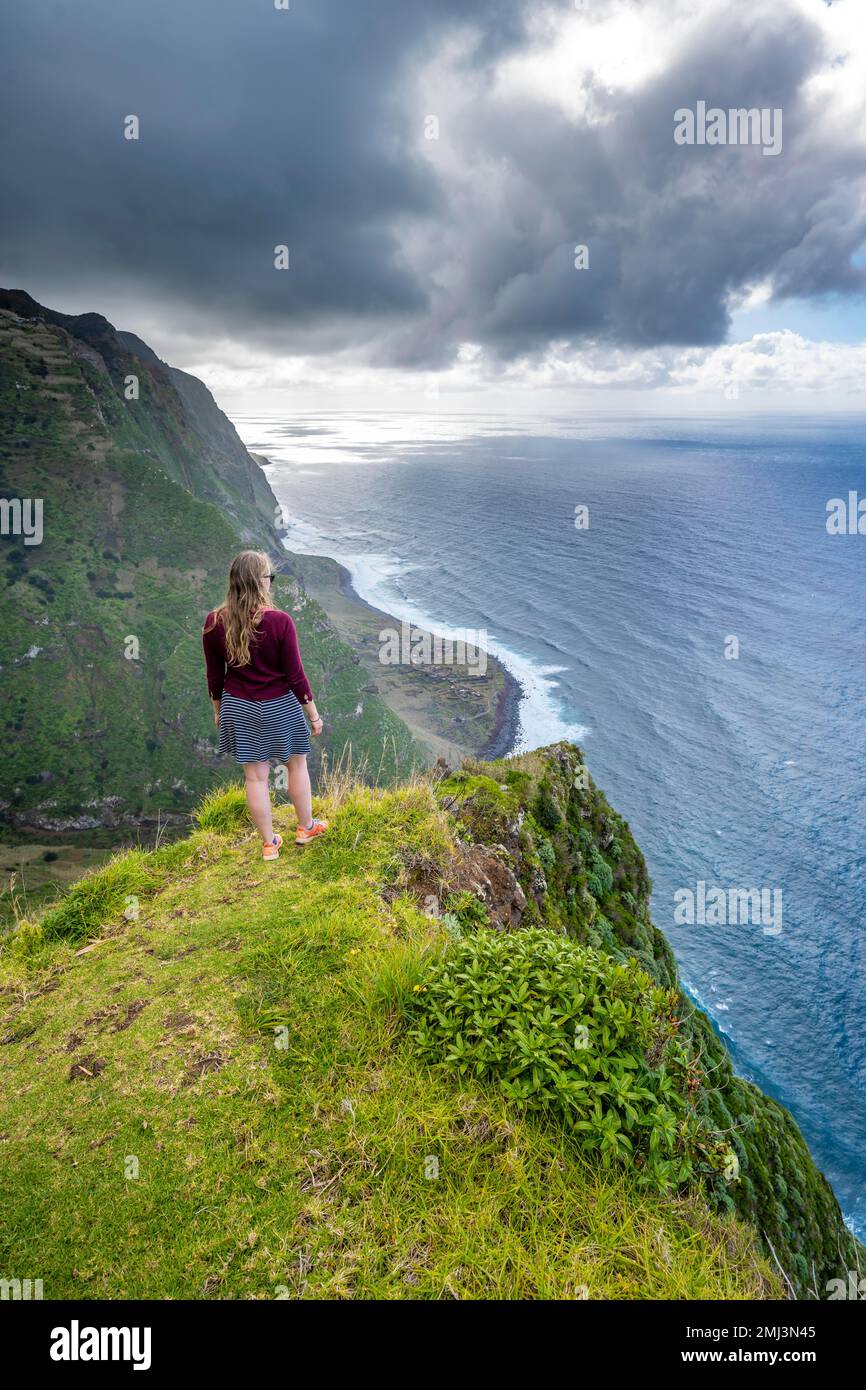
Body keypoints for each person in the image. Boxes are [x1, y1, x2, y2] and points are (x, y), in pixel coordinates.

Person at [202, 551, 327, 859]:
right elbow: (295, 675)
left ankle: (270, 844)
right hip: (280, 705)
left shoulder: (214, 622)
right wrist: (313, 715)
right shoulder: (280, 622)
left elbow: (215, 675)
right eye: (269, 577)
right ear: (259, 582)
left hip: (237, 706)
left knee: (255, 777)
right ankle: (305, 827)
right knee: (296, 765)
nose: (271, 582)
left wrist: (218, 710)